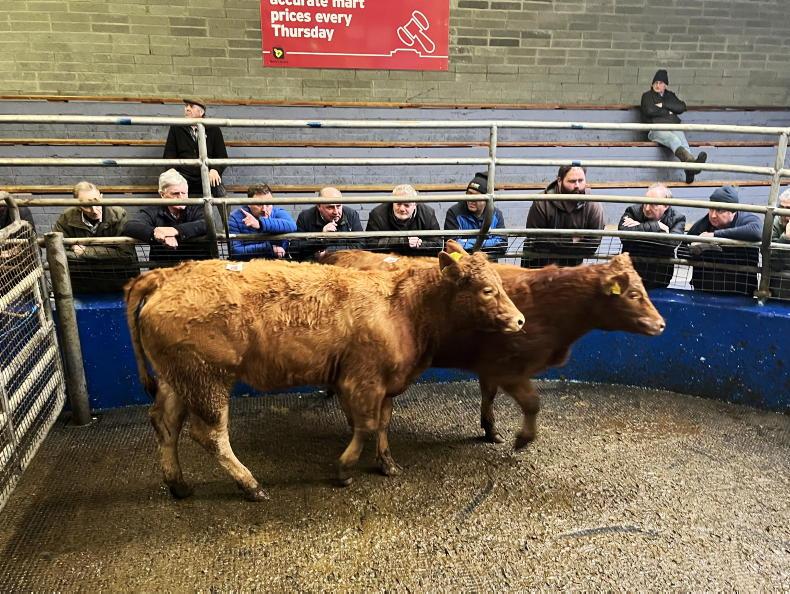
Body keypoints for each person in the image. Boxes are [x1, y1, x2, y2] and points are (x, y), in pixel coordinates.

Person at [52, 181, 137, 292]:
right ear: (77, 204)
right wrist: (108, 254)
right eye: (86, 205)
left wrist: (85, 251)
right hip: (82, 284)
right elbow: (56, 253)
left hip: (119, 282)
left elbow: (126, 255)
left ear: (101, 197)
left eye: (97, 202)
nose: (94, 210)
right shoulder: (67, 217)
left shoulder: (118, 214)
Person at [681, 185, 762, 296]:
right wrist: (694, 253)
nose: (713, 215)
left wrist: (714, 236)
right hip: (705, 290)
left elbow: (757, 232)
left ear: (733, 211)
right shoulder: (703, 224)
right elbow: (682, 250)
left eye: (719, 210)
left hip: (740, 291)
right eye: (711, 209)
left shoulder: (746, 219)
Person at [521, 165, 604, 269]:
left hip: (572, 267)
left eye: (581, 180)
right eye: (572, 181)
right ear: (559, 181)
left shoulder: (593, 205)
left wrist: (553, 243)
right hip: (538, 266)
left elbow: (592, 246)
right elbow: (535, 239)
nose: (577, 185)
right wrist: (571, 241)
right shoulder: (542, 202)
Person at [125, 169, 212, 265]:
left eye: (184, 193)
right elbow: (130, 226)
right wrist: (156, 232)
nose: (181, 198)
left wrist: (175, 231)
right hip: (164, 269)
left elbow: (207, 223)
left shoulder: (195, 208)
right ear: (162, 194)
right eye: (175, 194)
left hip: (195, 266)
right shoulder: (153, 211)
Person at [640, 69, 707, 184]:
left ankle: (689, 169)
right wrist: (669, 111)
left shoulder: (670, 96)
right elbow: (650, 110)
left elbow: (681, 107)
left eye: (660, 83)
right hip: (656, 129)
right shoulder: (647, 96)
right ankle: (691, 167)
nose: (657, 85)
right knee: (674, 139)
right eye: (655, 83)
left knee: (682, 140)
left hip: (673, 126)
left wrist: (663, 105)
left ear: (665, 85)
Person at [618, 183, 686, 290]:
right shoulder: (633, 211)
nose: (647, 208)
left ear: (666, 205)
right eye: (645, 202)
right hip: (631, 273)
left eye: (653, 204)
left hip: (659, 277)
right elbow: (624, 234)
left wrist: (639, 230)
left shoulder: (678, 218)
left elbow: (670, 243)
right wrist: (656, 226)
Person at [162, 98, 228, 197]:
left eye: (191, 106)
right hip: (183, 174)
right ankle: (170, 213)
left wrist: (215, 169)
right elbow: (169, 154)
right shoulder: (176, 128)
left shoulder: (213, 129)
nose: (187, 109)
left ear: (201, 112)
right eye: (186, 106)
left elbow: (222, 156)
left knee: (220, 191)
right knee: (169, 186)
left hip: (207, 173)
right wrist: (173, 173)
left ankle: (226, 213)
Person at [365, 184, 441, 256]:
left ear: (415, 205)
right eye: (398, 204)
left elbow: (438, 244)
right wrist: (403, 241)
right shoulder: (377, 214)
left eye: (407, 205)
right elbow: (370, 244)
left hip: (417, 257)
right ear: (392, 202)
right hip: (386, 259)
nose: (402, 209)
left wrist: (420, 244)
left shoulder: (428, 214)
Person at [444, 172, 507, 257]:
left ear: (486, 199)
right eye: (469, 194)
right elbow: (452, 246)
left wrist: (468, 244)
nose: (471, 199)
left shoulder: (496, 214)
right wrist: (486, 244)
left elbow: (502, 245)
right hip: (462, 264)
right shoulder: (454, 213)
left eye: (476, 196)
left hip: (488, 263)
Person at [228, 183, 296, 260]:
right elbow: (235, 251)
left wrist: (260, 224)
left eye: (268, 204)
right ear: (249, 204)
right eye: (259, 204)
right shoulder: (236, 217)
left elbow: (292, 226)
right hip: (248, 263)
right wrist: (269, 248)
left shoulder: (277, 212)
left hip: (276, 261)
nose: (264, 209)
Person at [294, 187, 363, 261]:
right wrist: (321, 240)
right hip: (316, 265)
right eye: (330, 207)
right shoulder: (305, 217)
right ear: (319, 206)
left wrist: (329, 253)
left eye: (339, 206)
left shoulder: (351, 215)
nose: (336, 212)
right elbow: (295, 248)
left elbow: (362, 244)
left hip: (344, 261)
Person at [769, 188, 790, 299]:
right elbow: (773, 263)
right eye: (782, 208)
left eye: (789, 209)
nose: (785, 214)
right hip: (780, 287)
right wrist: (786, 238)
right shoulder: (773, 222)